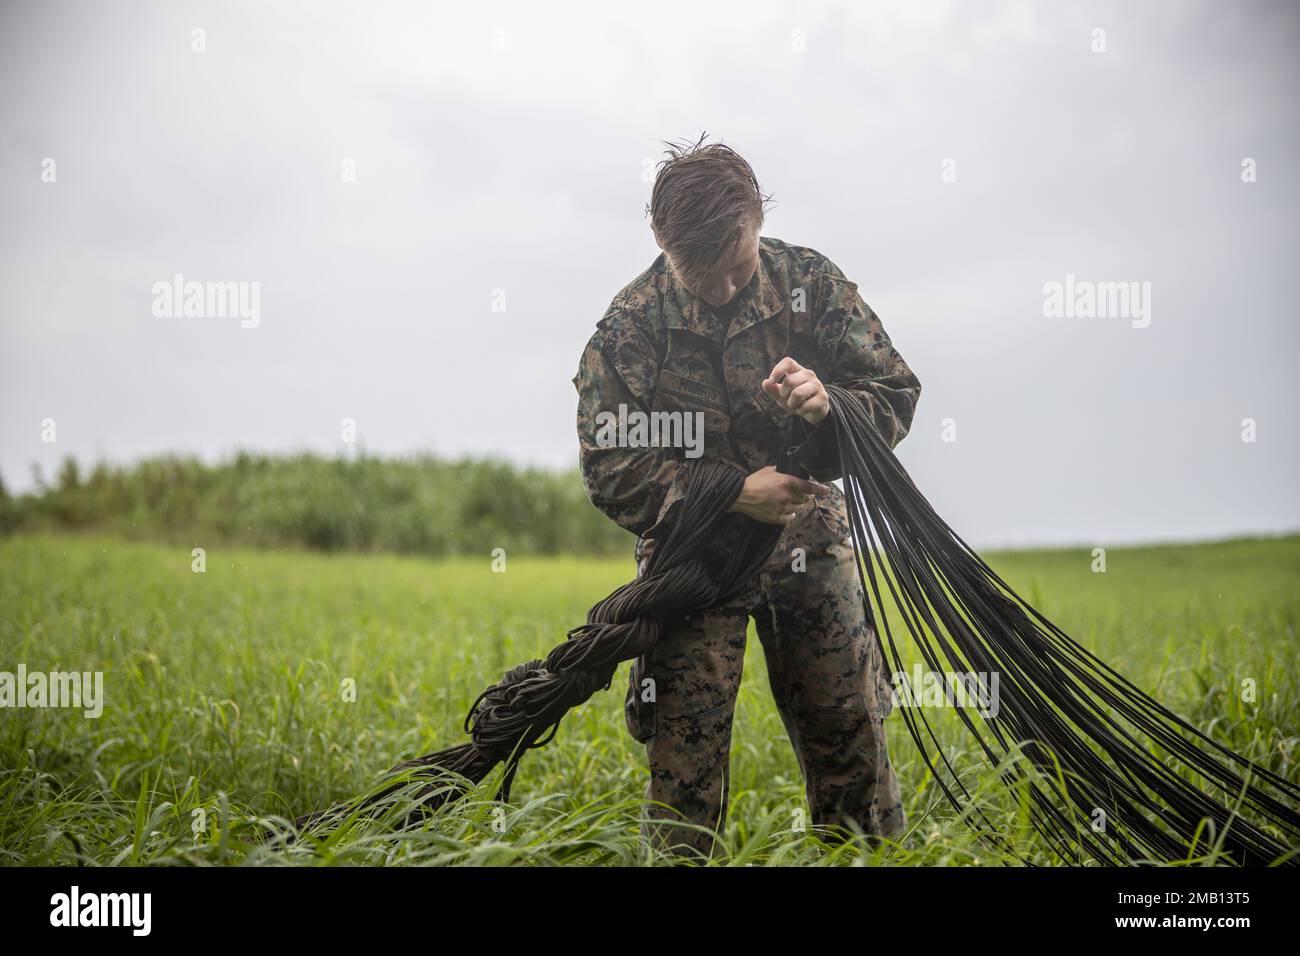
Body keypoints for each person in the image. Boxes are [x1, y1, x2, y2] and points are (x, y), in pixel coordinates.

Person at [571, 134, 922, 861]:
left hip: (810, 542)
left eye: (738, 266)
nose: (724, 289)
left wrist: (830, 405)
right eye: (701, 275)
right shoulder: (629, 328)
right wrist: (732, 493)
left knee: (849, 728)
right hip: (693, 560)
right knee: (684, 764)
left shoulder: (810, 283)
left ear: (758, 219)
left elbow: (895, 392)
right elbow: (609, 466)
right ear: (661, 242)